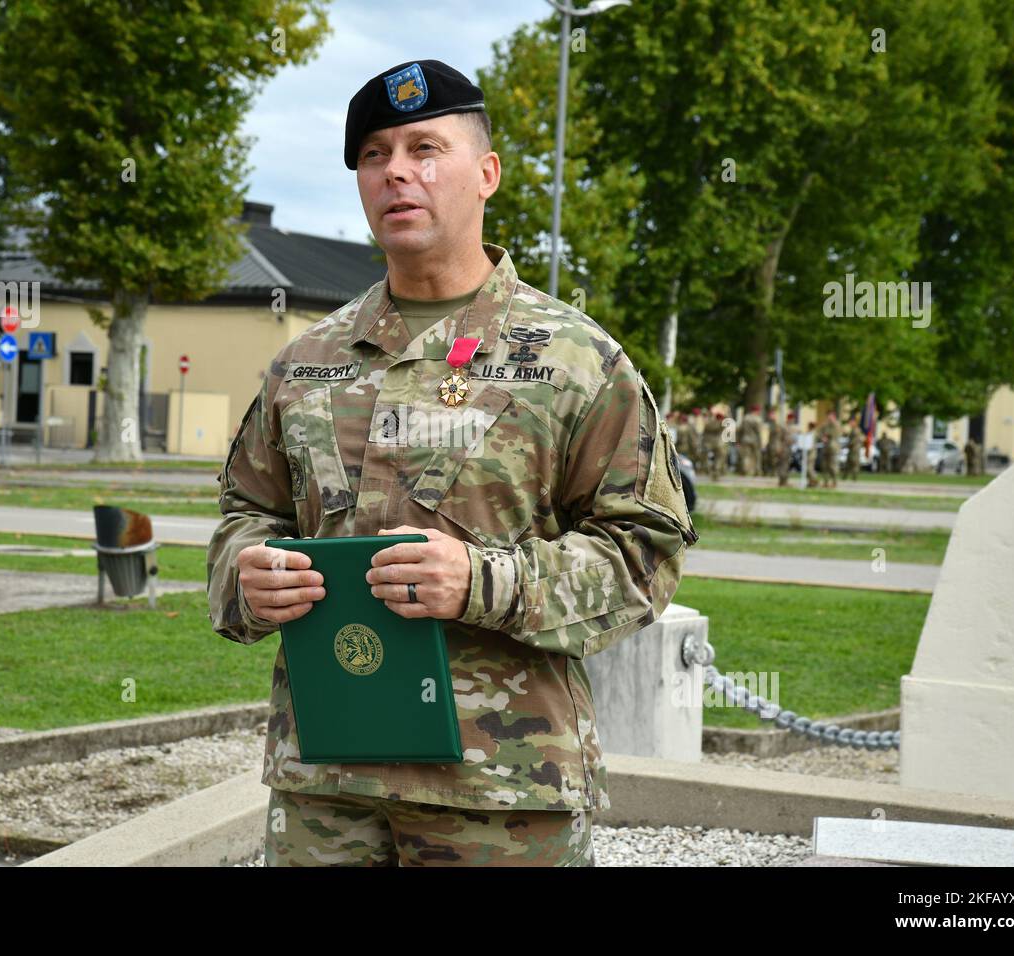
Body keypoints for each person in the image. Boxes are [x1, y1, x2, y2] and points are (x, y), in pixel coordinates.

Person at [205, 59, 697, 868]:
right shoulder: (308, 362)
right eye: (373, 155)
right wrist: (247, 577)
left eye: (425, 148)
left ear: (487, 174)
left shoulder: (575, 360)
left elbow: (645, 552)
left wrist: (483, 582)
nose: (397, 170)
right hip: (325, 785)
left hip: (504, 790)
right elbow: (245, 515)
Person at [737, 407, 762, 477]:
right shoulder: (758, 419)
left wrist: (738, 440)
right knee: (757, 456)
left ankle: (745, 470)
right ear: (756, 411)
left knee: (746, 456)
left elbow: (739, 430)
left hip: (745, 439)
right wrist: (761, 442)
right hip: (755, 440)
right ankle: (757, 471)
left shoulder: (745, 418)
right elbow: (759, 432)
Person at [819, 410, 842, 488]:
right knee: (825, 466)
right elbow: (820, 432)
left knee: (832, 466)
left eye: (831, 416)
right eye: (828, 416)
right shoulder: (825, 425)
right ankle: (826, 482)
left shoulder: (836, 424)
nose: (829, 418)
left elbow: (834, 434)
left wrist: (826, 435)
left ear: (834, 416)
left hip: (833, 448)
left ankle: (834, 482)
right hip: (826, 448)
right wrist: (822, 437)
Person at [702, 407, 726, 481]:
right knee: (719, 458)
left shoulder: (709, 423)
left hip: (707, 443)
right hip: (718, 444)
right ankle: (716, 471)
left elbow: (704, 431)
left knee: (707, 458)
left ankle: (709, 470)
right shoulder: (722, 424)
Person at [844, 414, 864, 481]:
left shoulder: (856, 430)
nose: (849, 423)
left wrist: (847, 445)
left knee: (854, 463)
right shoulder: (853, 430)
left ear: (854, 422)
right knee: (848, 463)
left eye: (851, 422)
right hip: (852, 449)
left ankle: (854, 478)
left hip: (854, 450)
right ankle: (845, 477)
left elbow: (854, 441)